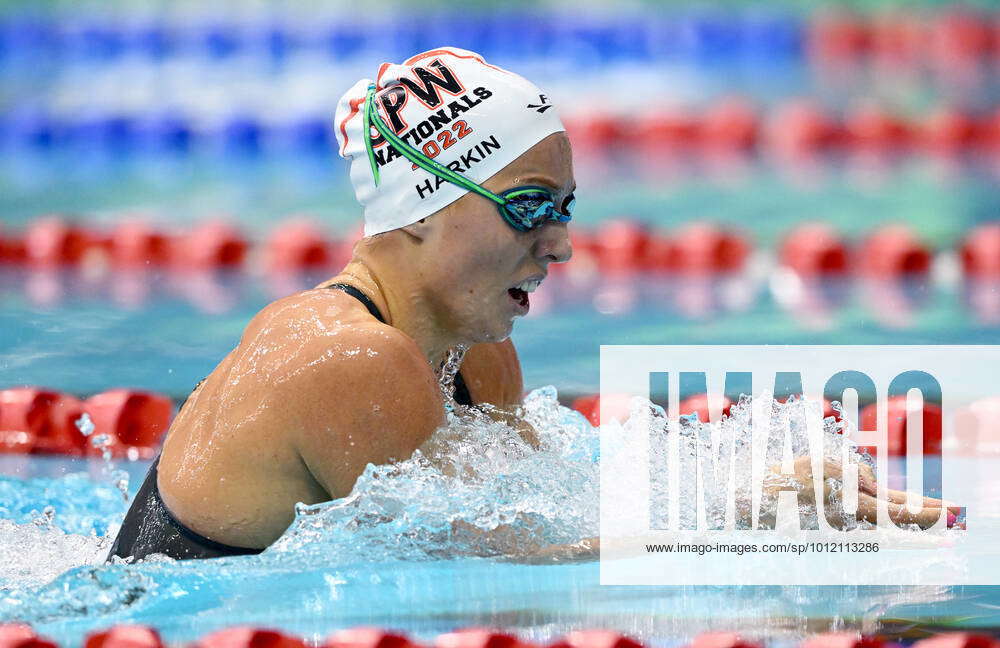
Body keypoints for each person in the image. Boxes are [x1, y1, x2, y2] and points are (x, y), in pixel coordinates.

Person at [106, 47, 951, 563]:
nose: (562, 246)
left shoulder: (476, 349)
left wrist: (754, 486)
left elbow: (545, 515)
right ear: (425, 207)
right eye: (531, 206)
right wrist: (744, 519)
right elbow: (504, 569)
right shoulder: (349, 358)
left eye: (566, 208)